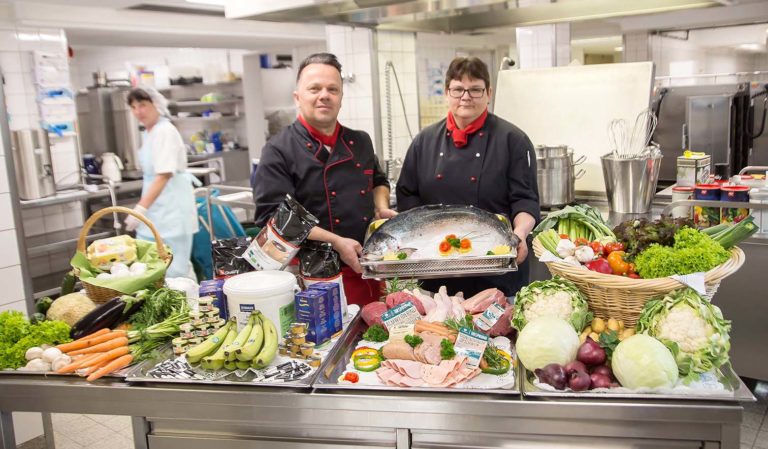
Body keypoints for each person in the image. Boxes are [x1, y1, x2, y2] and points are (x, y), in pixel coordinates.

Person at [253, 53, 396, 306]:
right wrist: (336, 241)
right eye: (314, 88)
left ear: (341, 97)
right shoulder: (278, 150)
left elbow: (378, 180)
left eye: (333, 89)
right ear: (298, 97)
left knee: (371, 338)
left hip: (364, 268)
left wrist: (381, 206)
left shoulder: (360, 141)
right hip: (312, 276)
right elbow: (274, 217)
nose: (324, 95)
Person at [396, 56, 540, 298]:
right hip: (437, 269)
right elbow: (408, 196)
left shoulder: (513, 140)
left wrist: (520, 234)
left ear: (489, 93)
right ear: (446, 93)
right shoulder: (425, 141)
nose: (466, 97)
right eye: (458, 89)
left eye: (475, 89)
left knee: (499, 334)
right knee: (440, 330)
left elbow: (525, 200)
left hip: (496, 268)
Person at [124, 87, 198, 279]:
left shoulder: (165, 131)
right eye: (133, 107)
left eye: (143, 105)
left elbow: (164, 174)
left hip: (171, 211)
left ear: (156, 105)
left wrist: (140, 209)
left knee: (175, 268)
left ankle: (192, 306)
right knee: (156, 268)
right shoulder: (150, 133)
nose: (138, 111)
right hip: (158, 210)